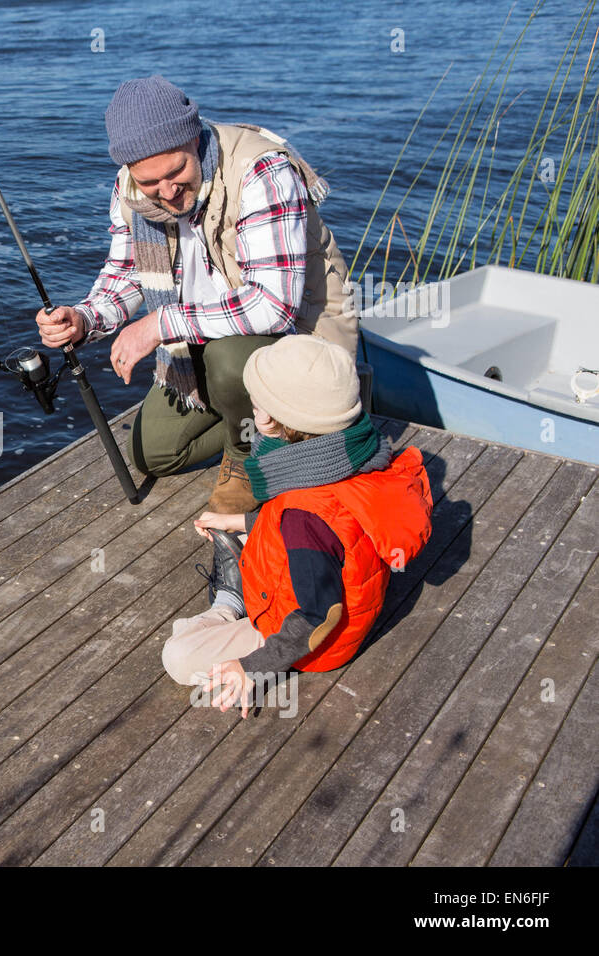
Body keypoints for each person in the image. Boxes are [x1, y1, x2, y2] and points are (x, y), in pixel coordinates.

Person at [35, 76, 358, 513]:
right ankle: (261, 430)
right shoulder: (131, 190)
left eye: (176, 172)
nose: (167, 192)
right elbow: (126, 272)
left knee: (229, 360)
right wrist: (85, 319)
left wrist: (159, 324)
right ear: (130, 170)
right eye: (151, 181)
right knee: (154, 453)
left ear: (195, 137)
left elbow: (273, 307)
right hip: (201, 336)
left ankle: (249, 459)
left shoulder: (261, 170)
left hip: (298, 339)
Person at [159, 335, 433, 717]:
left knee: (178, 654)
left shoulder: (304, 515)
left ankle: (229, 603)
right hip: (332, 579)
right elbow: (336, 530)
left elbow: (318, 615)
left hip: (314, 639)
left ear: (267, 419)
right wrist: (242, 521)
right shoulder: (354, 457)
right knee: (247, 538)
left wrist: (253, 669)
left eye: (255, 403)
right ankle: (234, 594)